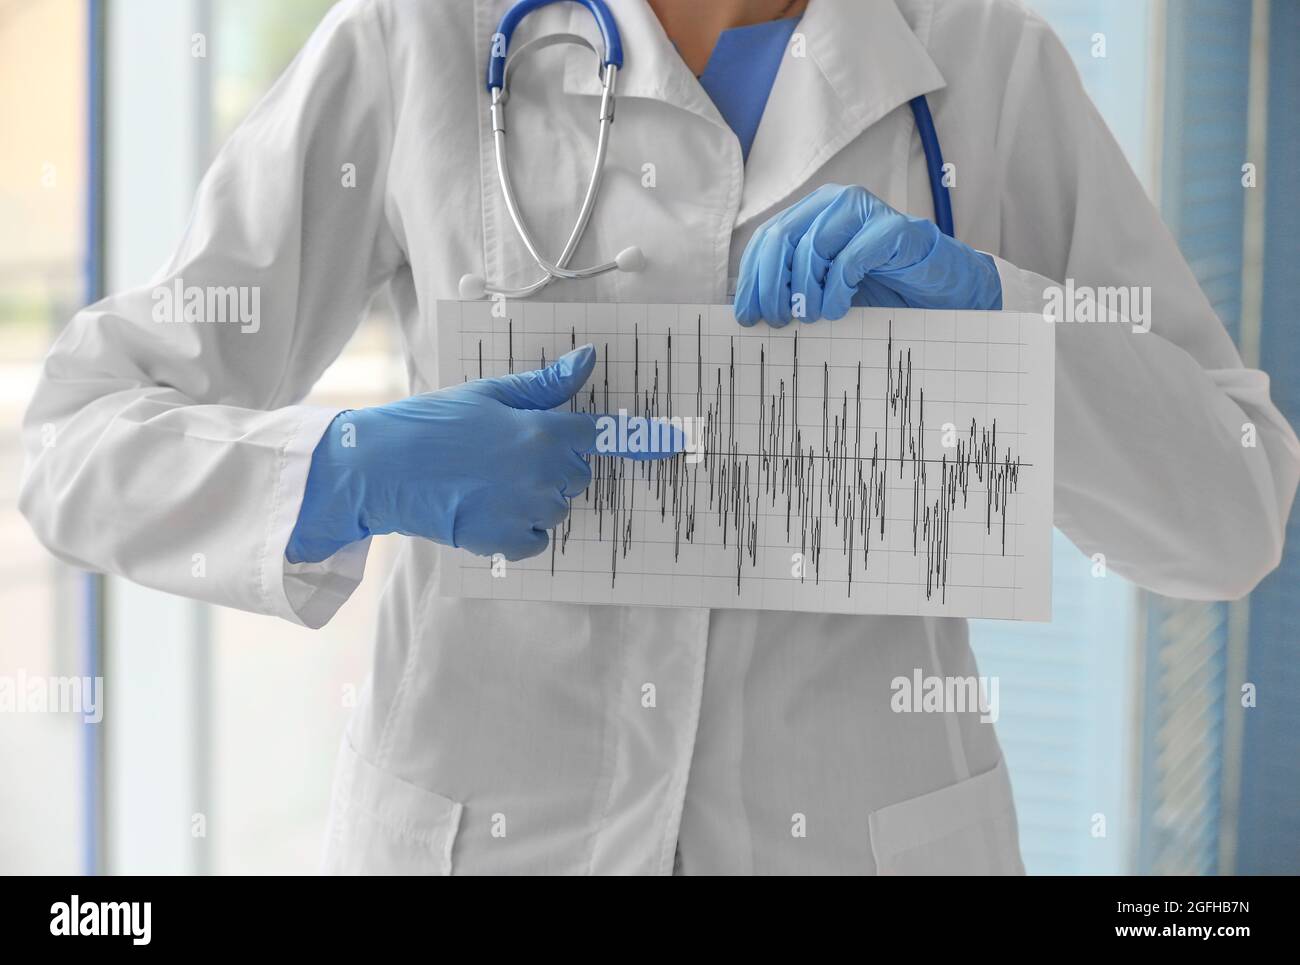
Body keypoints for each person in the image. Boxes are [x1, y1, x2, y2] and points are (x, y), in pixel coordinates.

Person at [21, 0, 1299, 875]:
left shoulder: (983, 59)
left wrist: (1006, 316)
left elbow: (1231, 515)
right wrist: (348, 469)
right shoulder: (419, 37)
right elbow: (72, 437)